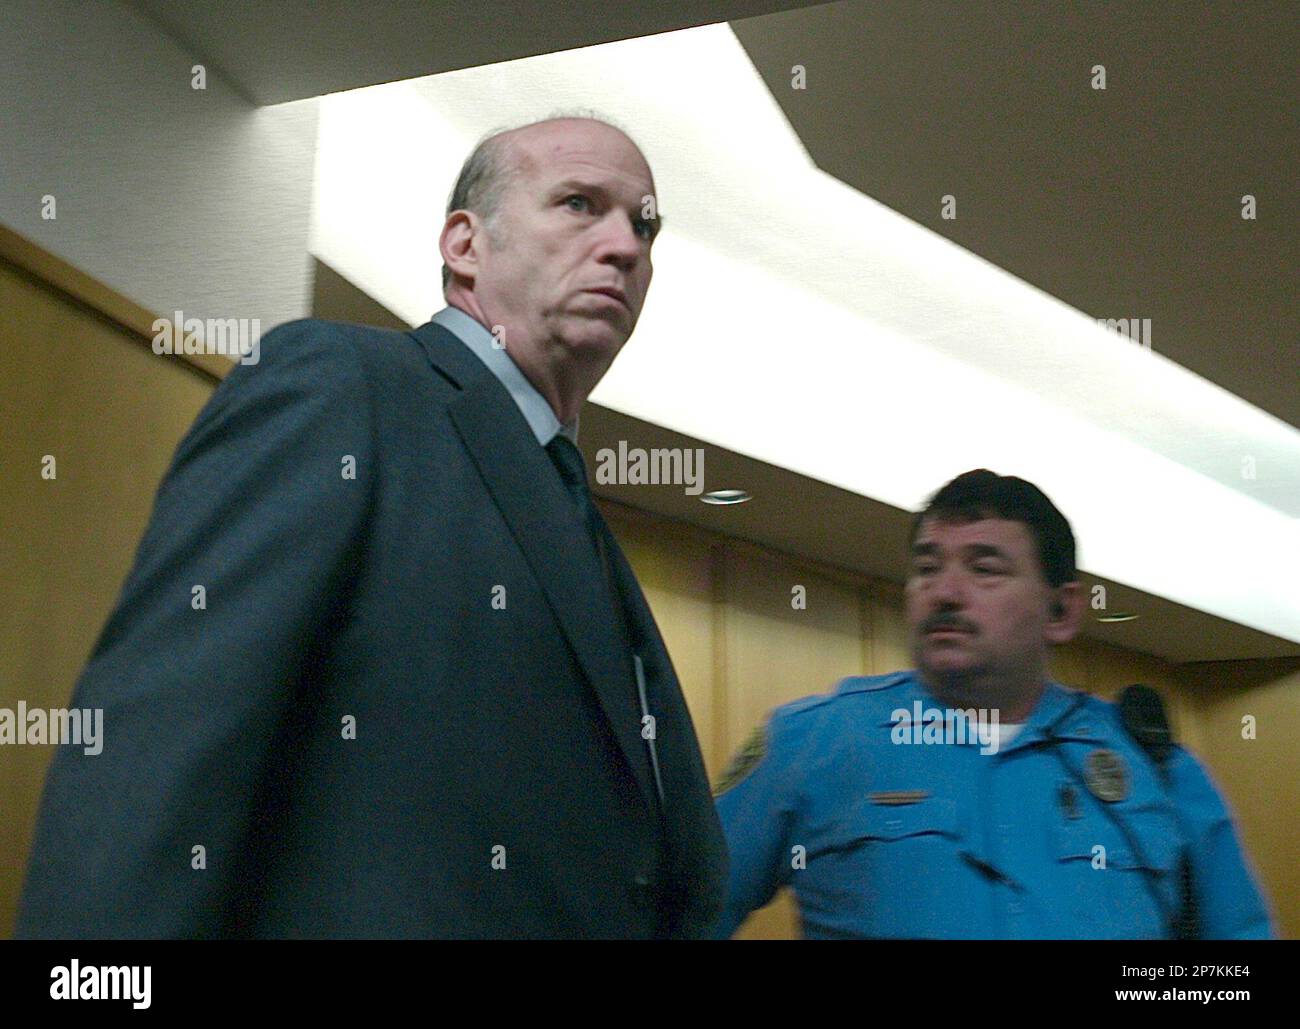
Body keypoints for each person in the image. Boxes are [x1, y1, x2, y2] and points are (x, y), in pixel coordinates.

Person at [17, 115, 726, 939]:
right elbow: (153, 757)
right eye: (579, 204)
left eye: (643, 224)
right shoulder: (341, 386)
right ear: (465, 244)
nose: (627, 246)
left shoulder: (573, 514)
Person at [713, 469, 1273, 939]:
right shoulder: (815, 743)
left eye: (984, 569)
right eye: (928, 568)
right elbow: (668, 913)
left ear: (1061, 612)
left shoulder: (1155, 766)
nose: (947, 593)